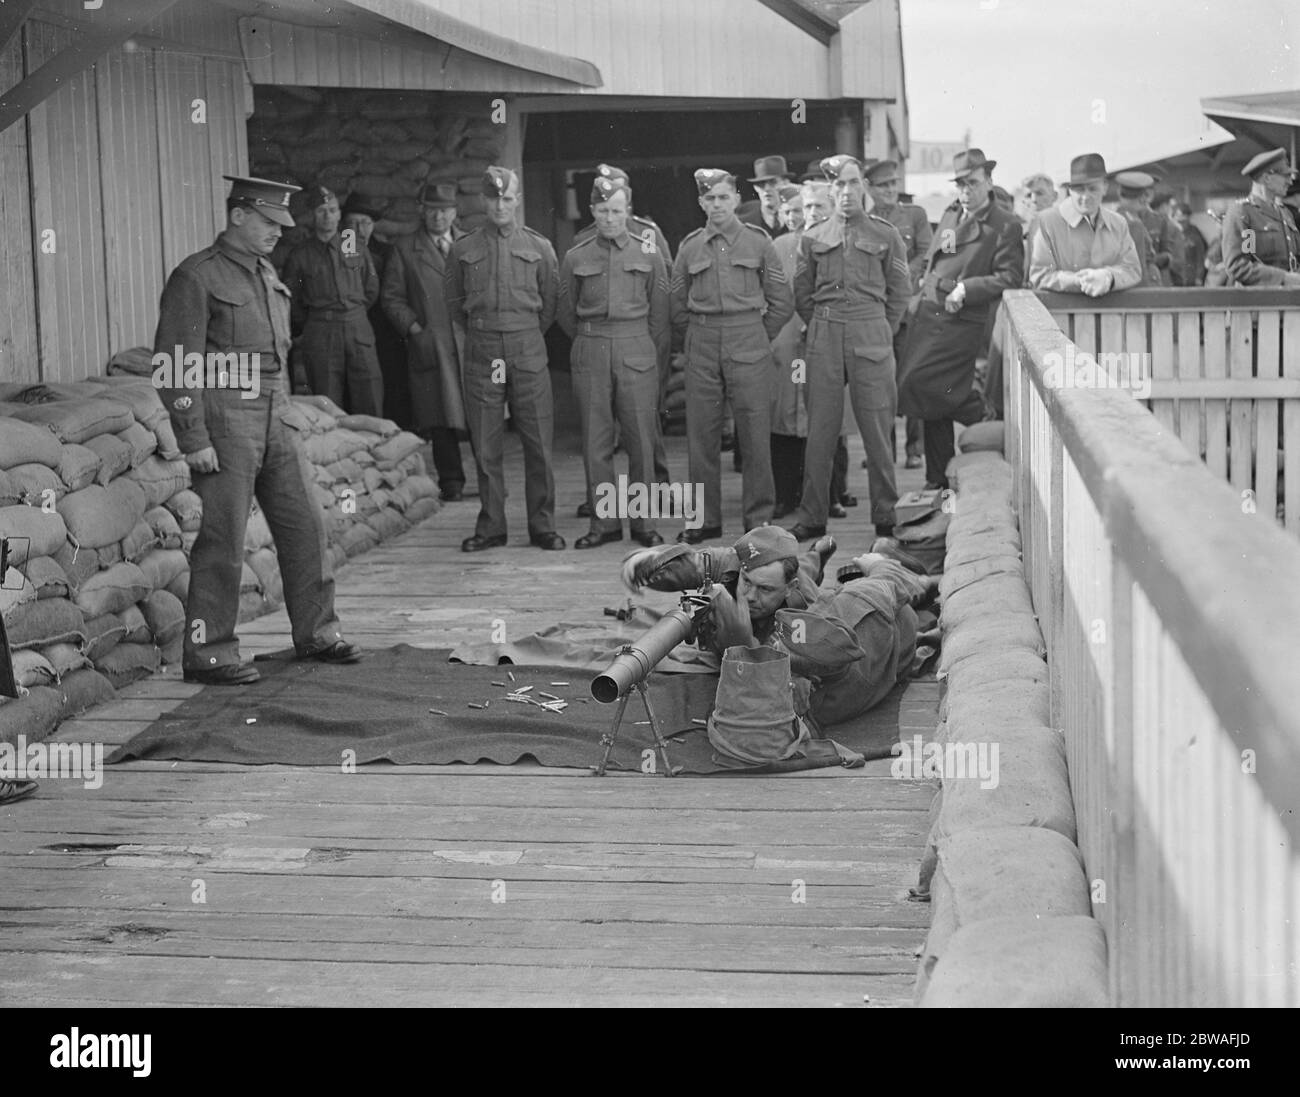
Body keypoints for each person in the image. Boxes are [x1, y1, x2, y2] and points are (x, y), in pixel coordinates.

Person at [154, 175, 361, 685]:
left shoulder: (266, 273)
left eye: (282, 223)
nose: (278, 232)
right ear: (238, 216)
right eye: (268, 221)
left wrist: (286, 410)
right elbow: (174, 363)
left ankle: (317, 633)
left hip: (275, 414)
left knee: (306, 526)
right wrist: (193, 436)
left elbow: (278, 357)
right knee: (224, 539)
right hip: (226, 419)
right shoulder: (196, 276)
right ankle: (210, 654)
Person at [622, 526, 933, 727]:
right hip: (801, 587)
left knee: (899, 590)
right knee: (798, 566)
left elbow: (787, 698)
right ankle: (815, 555)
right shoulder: (756, 574)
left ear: (788, 588)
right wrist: (651, 564)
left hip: (891, 635)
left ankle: (894, 561)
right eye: (747, 583)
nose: (751, 597)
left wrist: (742, 642)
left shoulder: (814, 610)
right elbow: (717, 562)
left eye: (766, 590)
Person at [784, 154, 911, 543]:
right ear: (830, 190)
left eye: (853, 183)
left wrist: (877, 328)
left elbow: (899, 292)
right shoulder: (814, 236)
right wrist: (824, 324)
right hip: (824, 333)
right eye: (838, 185)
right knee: (820, 430)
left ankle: (886, 515)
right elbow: (802, 293)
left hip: (871, 331)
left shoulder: (886, 235)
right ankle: (813, 516)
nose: (846, 192)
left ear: (864, 188)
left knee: (876, 429)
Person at [669, 169, 794, 544]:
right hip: (703, 341)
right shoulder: (690, 246)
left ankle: (758, 518)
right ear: (700, 203)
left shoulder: (759, 243)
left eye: (723, 197)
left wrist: (757, 336)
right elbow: (676, 304)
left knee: (755, 433)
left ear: (737, 199)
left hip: (748, 338)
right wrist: (696, 338)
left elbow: (782, 301)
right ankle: (703, 520)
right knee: (701, 434)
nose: (717, 205)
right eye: (709, 199)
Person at [445, 166, 564, 552]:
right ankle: (492, 526)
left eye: (507, 198)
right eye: (494, 198)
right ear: (483, 200)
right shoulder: (463, 248)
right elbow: (455, 304)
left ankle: (542, 525)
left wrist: (522, 331)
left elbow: (550, 307)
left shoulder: (540, 247)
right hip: (483, 349)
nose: (500, 205)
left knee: (538, 442)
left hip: (527, 345)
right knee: (486, 441)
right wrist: (488, 330)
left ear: (517, 200)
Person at [898, 149, 1023, 491]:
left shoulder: (1005, 224)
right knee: (927, 395)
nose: (967, 190)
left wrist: (966, 288)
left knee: (935, 389)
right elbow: (939, 259)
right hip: (930, 313)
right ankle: (935, 480)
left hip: (963, 320)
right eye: (961, 184)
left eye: (974, 183)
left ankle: (986, 422)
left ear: (989, 182)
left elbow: (1010, 277)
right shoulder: (953, 213)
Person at [557, 173, 670, 549]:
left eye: (616, 210)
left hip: (636, 346)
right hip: (591, 347)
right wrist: (593, 339)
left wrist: (636, 342)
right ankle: (603, 524)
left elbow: (660, 312)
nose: (609, 218)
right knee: (596, 441)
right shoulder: (575, 255)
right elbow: (564, 311)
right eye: (603, 211)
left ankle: (642, 524)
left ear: (628, 211)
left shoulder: (649, 251)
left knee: (641, 441)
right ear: (592, 211)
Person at [381, 182, 469, 502]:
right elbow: (391, 298)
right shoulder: (405, 248)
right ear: (422, 211)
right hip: (432, 342)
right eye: (432, 209)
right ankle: (452, 480)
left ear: (455, 212)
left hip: (467, 341)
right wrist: (416, 330)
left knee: (479, 410)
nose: (438, 216)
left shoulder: (469, 244)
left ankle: (488, 479)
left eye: (444, 210)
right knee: (439, 413)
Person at [280, 186, 384, 415]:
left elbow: (371, 286)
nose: (327, 216)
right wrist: (314, 321)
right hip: (321, 330)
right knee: (327, 399)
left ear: (339, 214)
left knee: (369, 391)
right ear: (312, 215)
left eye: (332, 210)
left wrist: (354, 312)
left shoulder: (352, 245)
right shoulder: (301, 254)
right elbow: (292, 300)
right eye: (321, 210)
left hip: (357, 326)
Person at [867, 159, 932, 471]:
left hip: (907, 311)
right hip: (877, 313)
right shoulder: (865, 220)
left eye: (894, 183)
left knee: (910, 379)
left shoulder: (914, 214)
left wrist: (902, 274)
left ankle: (914, 448)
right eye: (883, 185)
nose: (891, 190)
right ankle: (883, 450)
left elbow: (926, 252)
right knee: (880, 383)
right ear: (870, 188)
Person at [341, 193, 411, 429]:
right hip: (351, 332)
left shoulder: (387, 252)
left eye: (366, 223)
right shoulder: (338, 252)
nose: (360, 230)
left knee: (390, 386)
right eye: (353, 223)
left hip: (384, 333)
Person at [1028, 152, 1142, 295]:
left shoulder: (1118, 223)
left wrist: (1109, 277)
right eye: (1079, 189)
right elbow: (1039, 275)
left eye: (1093, 189)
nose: (1085, 196)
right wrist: (1078, 280)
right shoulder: (1046, 221)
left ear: (1105, 187)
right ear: (1070, 190)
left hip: (1109, 314)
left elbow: (1132, 269)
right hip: (1060, 313)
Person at [770, 185, 811, 519]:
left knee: (821, 415)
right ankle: (785, 494)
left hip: (817, 338)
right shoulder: (777, 247)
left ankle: (829, 492)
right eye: (791, 212)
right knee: (784, 413)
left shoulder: (826, 241)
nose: (797, 218)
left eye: (802, 210)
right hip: (786, 340)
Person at [1222, 148, 1300, 287]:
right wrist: (1284, 278)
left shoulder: (1285, 214)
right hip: (1256, 302)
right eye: (1285, 176)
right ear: (1267, 178)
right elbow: (1238, 265)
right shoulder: (1243, 213)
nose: (1290, 181)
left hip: (1287, 300)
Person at [1114, 171, 1173, 286]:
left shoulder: (1116, 218)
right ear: (1143, 197)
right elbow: (1138, 267)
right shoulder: (1133, 224)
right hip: (1141, 288)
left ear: (1119, 193)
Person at [737, 155, 792, 238]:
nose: (766, 189)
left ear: (786, 183)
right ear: (755, 188)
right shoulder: (743, 225)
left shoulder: (800, 219)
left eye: (772, 182)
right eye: (761, 184)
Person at [1150, 189, 1186, 286]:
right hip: (1168, 280)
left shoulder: (1142, 223)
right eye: (1170, 206)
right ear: (1163, 207)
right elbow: (1179, 261)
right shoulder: (1173, 228)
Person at [1174, 202, 1208, 287]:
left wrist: (1199, 278)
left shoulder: (1195, 234)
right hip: (1176, 279)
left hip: (1191, 279)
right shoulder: (1170, 234)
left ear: (1188, 218)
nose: (1181, 225)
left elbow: (1201, 258)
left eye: (1183, 221)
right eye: (1178, 221)